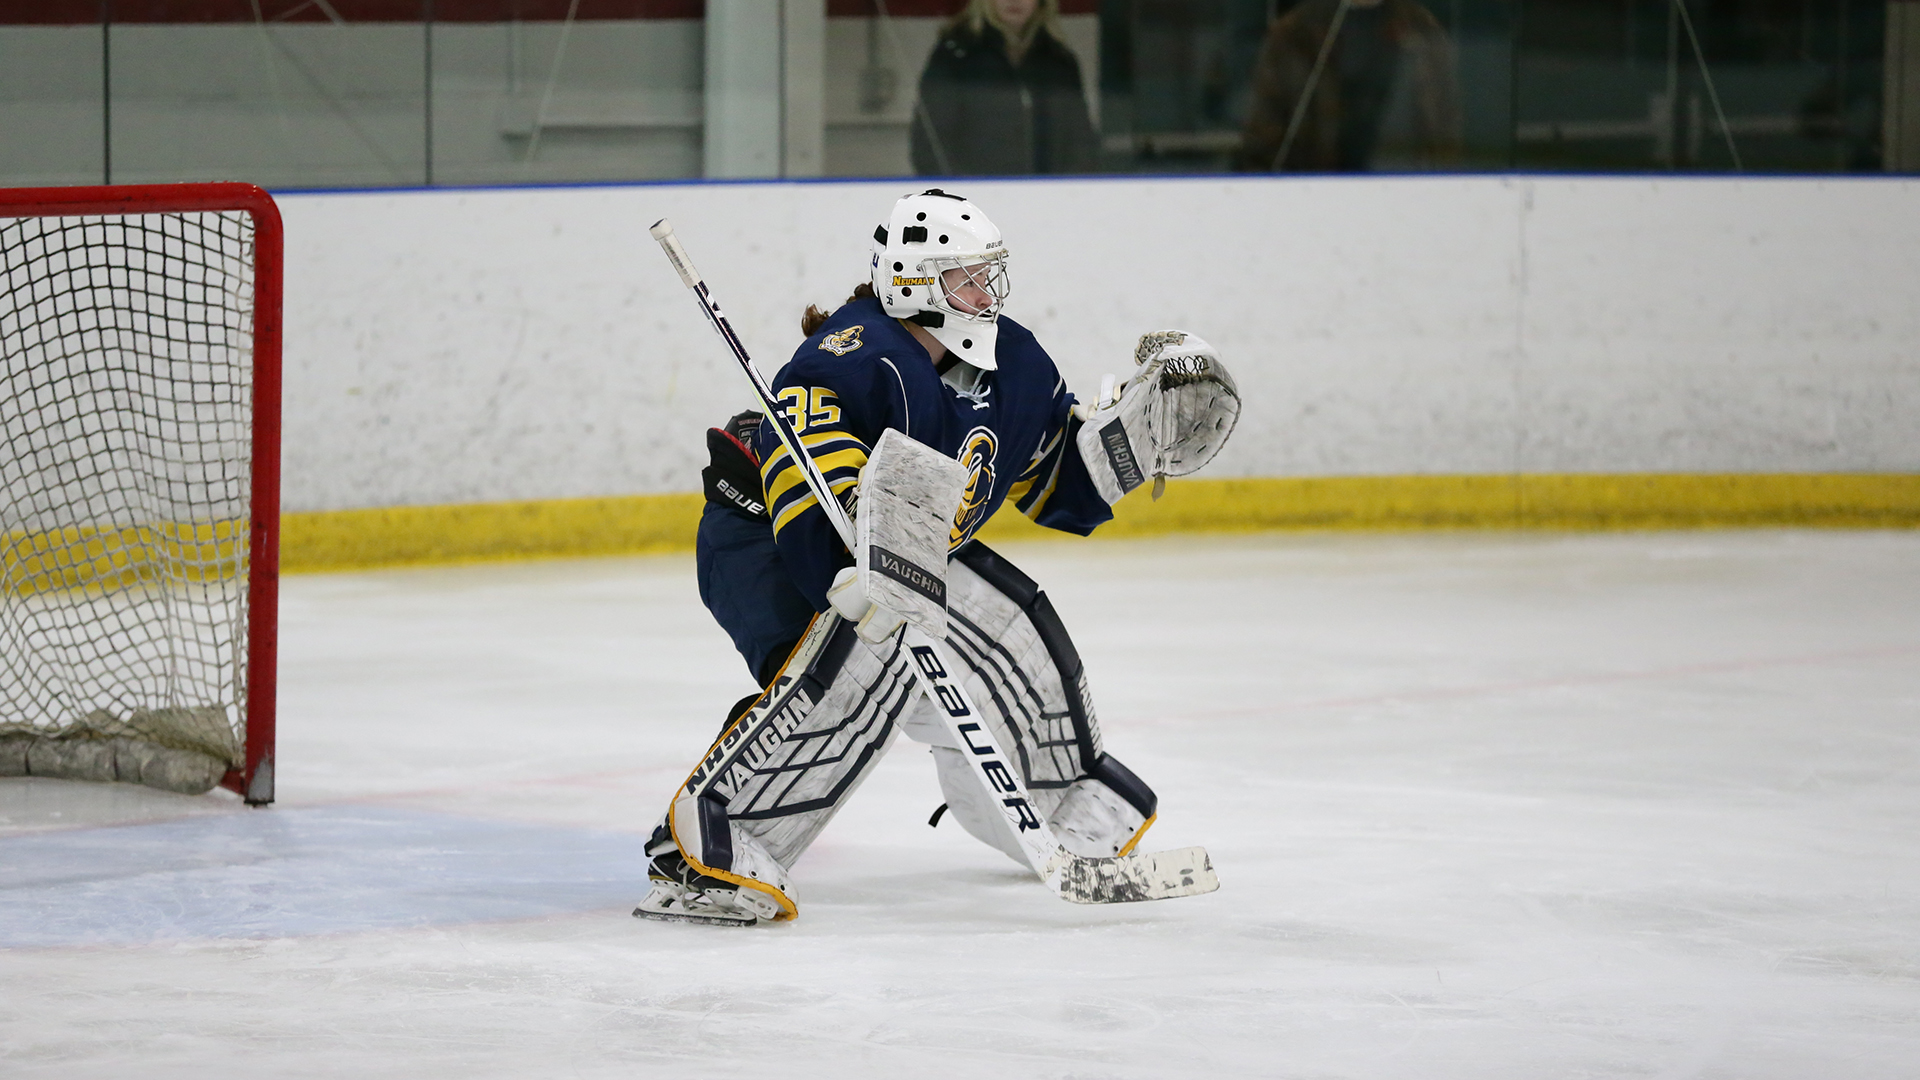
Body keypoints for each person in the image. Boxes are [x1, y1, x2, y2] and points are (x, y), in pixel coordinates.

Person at [636, 189, 1241, 925]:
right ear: (913, 282)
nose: (986, 292)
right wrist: (844, 561)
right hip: (759, 541)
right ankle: (706, 851)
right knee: (853, 671)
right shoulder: (853, 359)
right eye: (965, 277)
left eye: (989, 273)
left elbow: (1054, 478)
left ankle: (1064, 808)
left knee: (1003, 632)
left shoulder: (1012, 359)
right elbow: (807, 482)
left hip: (901, 550)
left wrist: (1134, 438)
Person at [1233, 0, 1462, 172]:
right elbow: (1262, 141)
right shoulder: (1294, 34)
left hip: (1402, 195)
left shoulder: (1420, 30)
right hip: (1311, 199)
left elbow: (1442, 131)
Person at [910, 0, 1100, 176]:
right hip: (974, 200)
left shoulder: (1058, 61)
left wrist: (1069, 192)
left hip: (1047, 199)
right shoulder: (956, 55)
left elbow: (1080, 141)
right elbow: (930, 143)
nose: (1014, 0)